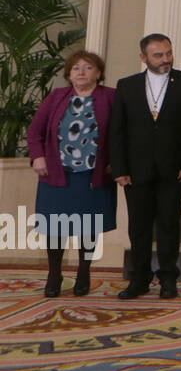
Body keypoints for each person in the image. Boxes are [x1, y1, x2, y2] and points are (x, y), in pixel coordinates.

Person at [110, 34, 181, 300]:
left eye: (168, 53)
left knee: (169, 225)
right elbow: (117, 130)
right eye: (158, 55)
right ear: (143, 58)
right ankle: (139, 279)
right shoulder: (126, 86)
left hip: (174, 169)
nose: (166, 59)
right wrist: (119, 168)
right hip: (135, 170)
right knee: (138, 227)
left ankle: (168, 279)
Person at [27, 50, 117, 297]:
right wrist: (38, 156)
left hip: (93, 176)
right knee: (55, 228)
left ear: (98, 73)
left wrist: (117, 164)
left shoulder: (110, 97)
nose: (81, 72)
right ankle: (54, 274)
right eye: (75, 68)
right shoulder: (56, 96)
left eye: (87, 67)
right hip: (57, 175)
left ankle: (84, 272)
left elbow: (121, 134)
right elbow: (34, 132)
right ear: (68, 74)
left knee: (88, 227)